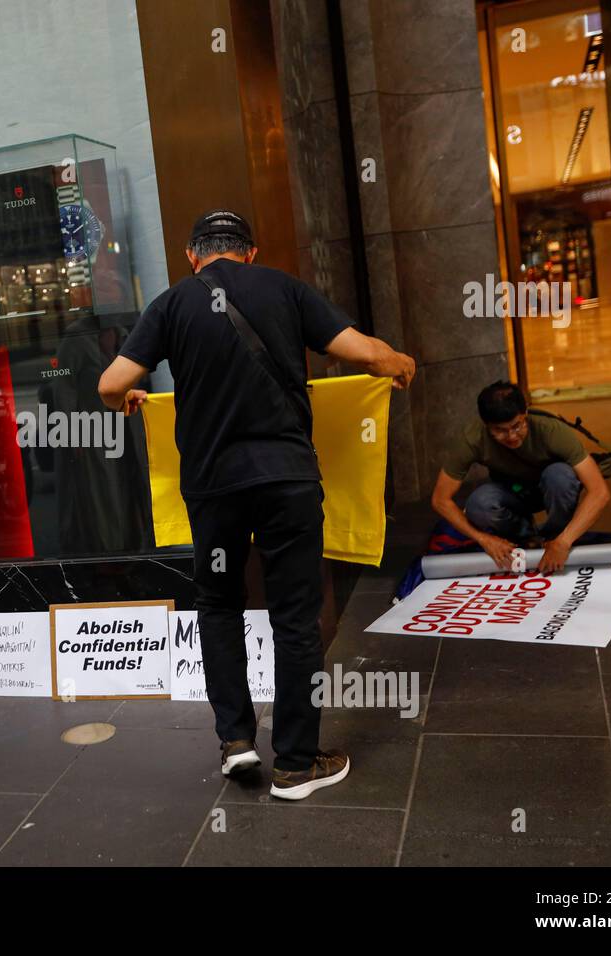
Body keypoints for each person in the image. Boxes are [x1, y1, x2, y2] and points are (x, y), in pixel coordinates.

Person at [97, 209, 415, 800]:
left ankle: (237, 743)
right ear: (250, 251)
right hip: (286, 483)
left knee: (218, 605)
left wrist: (134, 395)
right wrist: (397, 362)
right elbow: (363, 352)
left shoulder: (170, 304)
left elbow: (111, 386)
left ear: (193, 256)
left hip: (215, 490)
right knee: (295, 616)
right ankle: (296, 763)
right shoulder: (285, 288)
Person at [431, 380, 611, 574]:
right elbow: (440, 500)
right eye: (500, 430)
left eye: (517, 426)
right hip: (512, 493)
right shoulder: (472, 438)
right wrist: (484, 539)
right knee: (479, 503)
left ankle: (554, 535)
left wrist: (564, 542)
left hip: (552, 489)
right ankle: (527, 537)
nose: (511, 436)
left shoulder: (551, 430)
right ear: (486, 425)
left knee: (560, 475)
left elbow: (600, 492)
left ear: (525, 413)